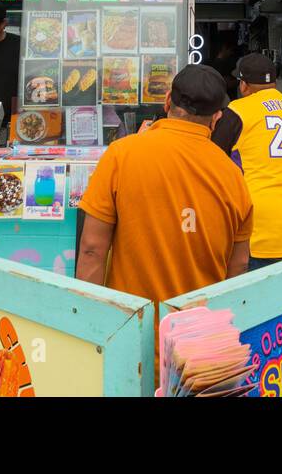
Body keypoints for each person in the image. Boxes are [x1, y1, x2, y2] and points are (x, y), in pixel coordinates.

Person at [76, 65, 253, 307]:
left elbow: (92, 249)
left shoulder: (121, 154)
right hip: (197, 332)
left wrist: (90, 321)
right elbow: (239, 265)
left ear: (167, 100)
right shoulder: (233, 176)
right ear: (216, 118)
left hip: (130, 328)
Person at [211, 53, 282, 269]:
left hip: (265, 228)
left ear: (243, 85)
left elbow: (211, 156)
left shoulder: (238, 111)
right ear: (274, 82)